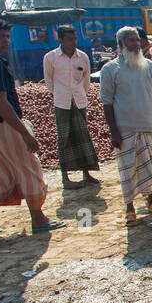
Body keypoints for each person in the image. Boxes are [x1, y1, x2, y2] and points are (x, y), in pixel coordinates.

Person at [0, 17, 64, 235]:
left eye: (7, 36)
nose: (5, 41)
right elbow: (0, 102)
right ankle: (38, 219)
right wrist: (25, 133)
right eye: (0, 36)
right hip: (1, 124)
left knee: (0, 172)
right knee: (28, 168)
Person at [101, 26, 152, 226]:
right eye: (131, 40)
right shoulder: (110, 69)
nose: (136, 44)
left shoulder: (149, 67)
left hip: (147, 125)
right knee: (127, 170)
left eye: (137, 40)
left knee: (149, 165)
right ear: (120, 44)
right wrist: (113, 132)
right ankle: (129, 206)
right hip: (124, 128)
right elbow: (107, 103)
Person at [42, 25, 100, 188]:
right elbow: (49, 82)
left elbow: (86, 80)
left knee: (83, 137)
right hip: (61, 102)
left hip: (79, 101)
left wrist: (80, 93)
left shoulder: (82, 57)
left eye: (74, 39)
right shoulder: (51, 58)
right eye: (69, 39)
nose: (73, 42)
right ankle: (65, 178)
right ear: (60, 40)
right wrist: (60, 94)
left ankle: (86, 174)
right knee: (64, 138)